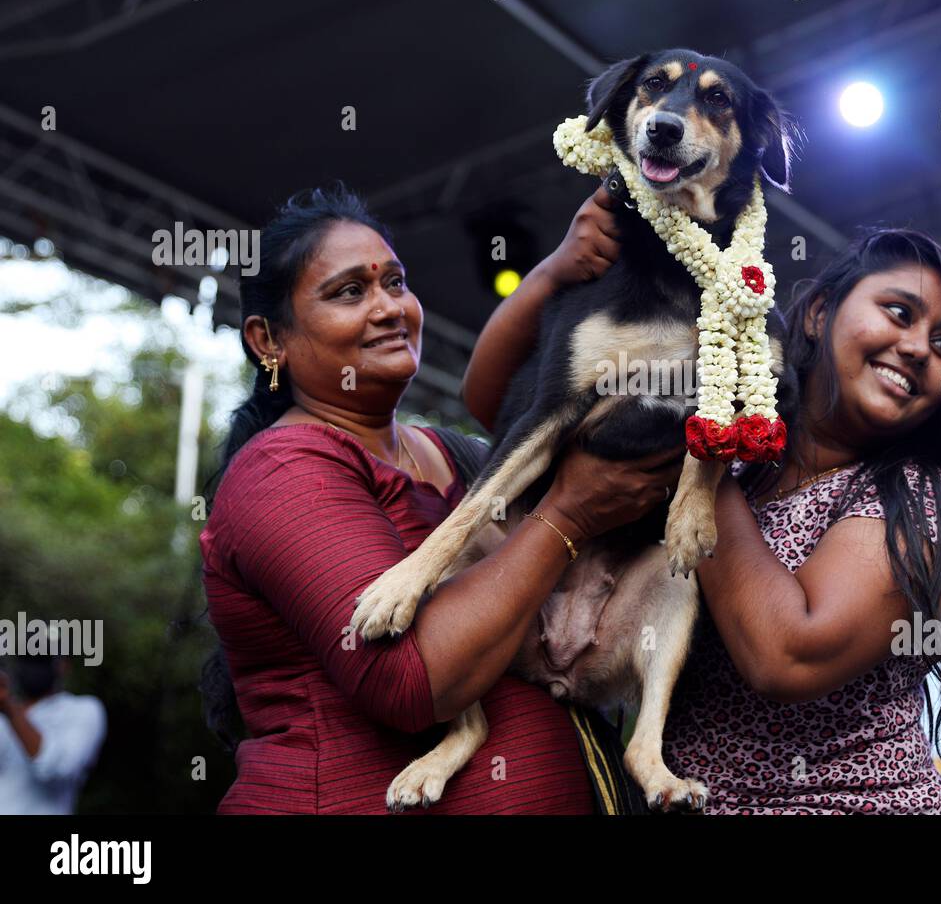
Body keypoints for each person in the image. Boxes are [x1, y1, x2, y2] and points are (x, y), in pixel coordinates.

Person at [466, 227, 941, 814]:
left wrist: (701, 444)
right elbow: (497, 404)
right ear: (816, 314)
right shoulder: (747, 466)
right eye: (897, 312)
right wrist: (558, 268)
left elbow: (786, 655)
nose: (918, 348)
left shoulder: (920, 501)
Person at [200, 183, 678, 814]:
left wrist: (560, 271)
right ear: (268, 341)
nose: (389, 308)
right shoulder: (285, 471)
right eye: (350, 291)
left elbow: (528, 407)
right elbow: (406, 684)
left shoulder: (450, 453)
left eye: (395, 284)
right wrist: (567, 515)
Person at [0, 653, 107, 814]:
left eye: (41, 660)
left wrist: (9, 708)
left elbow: (56, 768)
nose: (32, 668)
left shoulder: (82, 710)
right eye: (27, 659)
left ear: (64, 664)